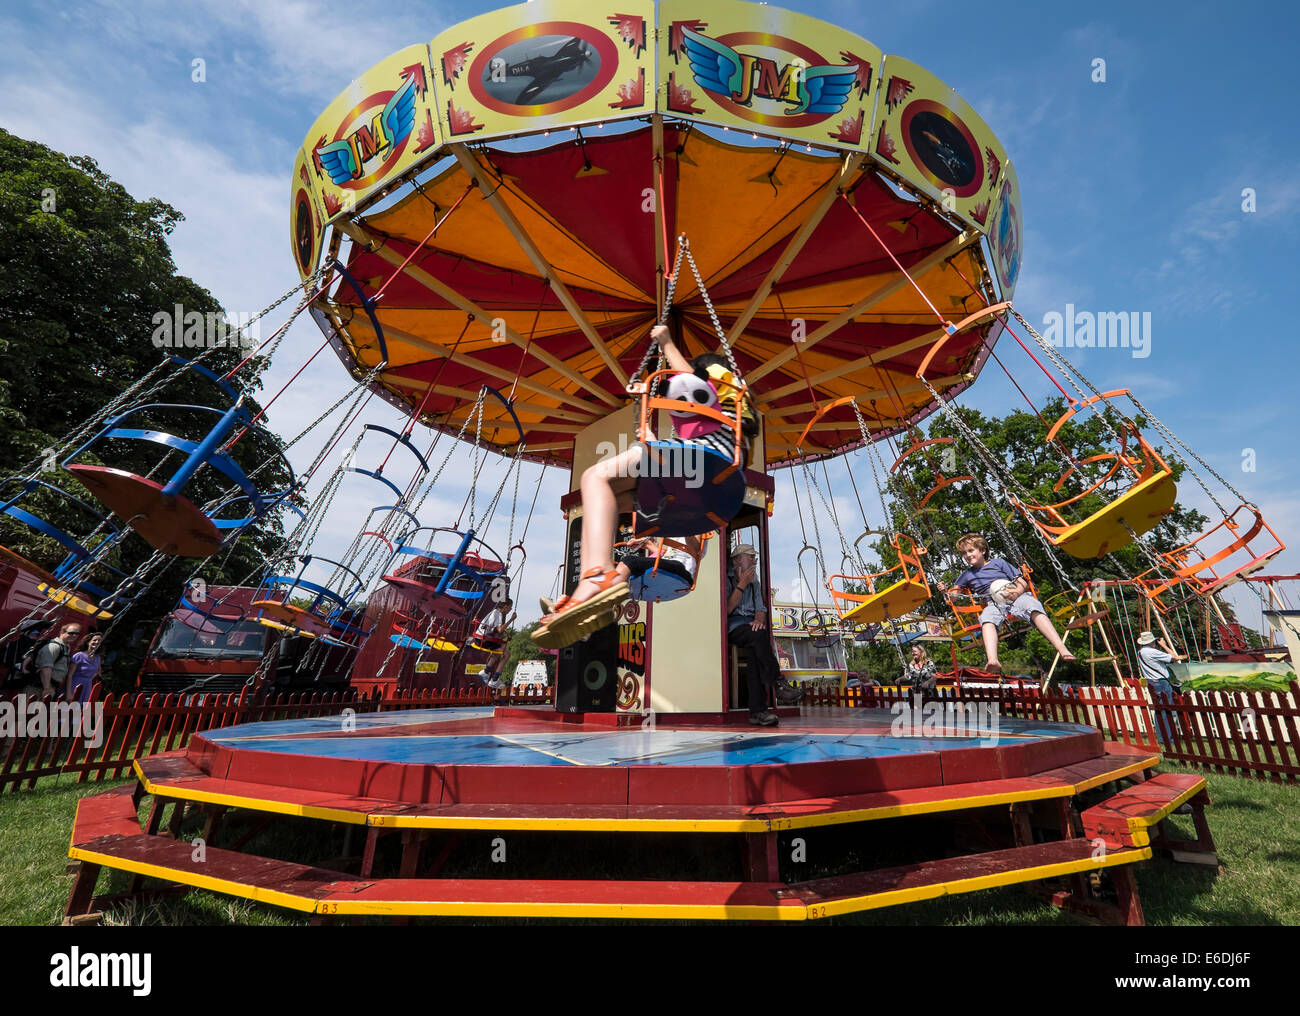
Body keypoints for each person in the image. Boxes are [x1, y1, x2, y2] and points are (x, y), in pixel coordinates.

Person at [533, 323, 758, 649]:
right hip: (701, 484)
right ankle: (587, 603)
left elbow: (687, 375)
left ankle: (598, 577)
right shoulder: (729, 420)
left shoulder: (710, 397)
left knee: (594, 477)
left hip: (688, 469)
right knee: (611, 497)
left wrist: (666, 341)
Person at [938, 533, 1075, 674]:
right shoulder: (966, 575)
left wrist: (1017, 591)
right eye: (964, 553)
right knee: (986, 618)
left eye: (971, 550)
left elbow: (1022, 582)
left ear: (983, 550)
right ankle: (993, 660)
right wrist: (945, 592)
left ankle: (1061, 648)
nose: (967, 555)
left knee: (1033, 606)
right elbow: (952, 598)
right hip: (994, 603)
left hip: (1016, 596)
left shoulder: (999, 563)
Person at [727, 543, 802, 726]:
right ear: (738, 560)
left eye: (755, 557)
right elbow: (726, 609)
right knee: (758, 636)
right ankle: (778, 685)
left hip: (751, 629)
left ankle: (758, 712)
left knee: (756, 646)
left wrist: (759, 620)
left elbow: (761, 608)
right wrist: (742, 583)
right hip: (732, 626)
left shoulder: (755, 582)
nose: (754, 560)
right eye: (750, 556)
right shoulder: (727, 579)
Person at [1136, 630, 1186, 744]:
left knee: (1159, 710)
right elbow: (1174, 657)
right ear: (1152, 641)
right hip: (1161, 682)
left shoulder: (1141, 652)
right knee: (1166, 710)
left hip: (1151, 682)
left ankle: (1162, 737)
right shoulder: (1152, 652)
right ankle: (1168, 738)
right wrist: (1164, 645)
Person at [23, 621, 82, 699]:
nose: (74, 636)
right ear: (62, 632)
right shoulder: (54, 647)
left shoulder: (65, 647)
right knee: (29, 710)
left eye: (77, 634)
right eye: (71, 633)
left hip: (49, 687)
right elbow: (46, 668)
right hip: (38, 688)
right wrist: (47, 688)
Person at [67, 632, 103, 703]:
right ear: (88, 642)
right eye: (94, 640)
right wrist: (68, 693)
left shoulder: (98, 658)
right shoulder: (78, 656)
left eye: (99, 641)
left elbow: (98, 671)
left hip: (87, 687)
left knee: (82, 711)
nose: (97, 642)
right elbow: (70, 675)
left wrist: (89, 678)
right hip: (75, 685)